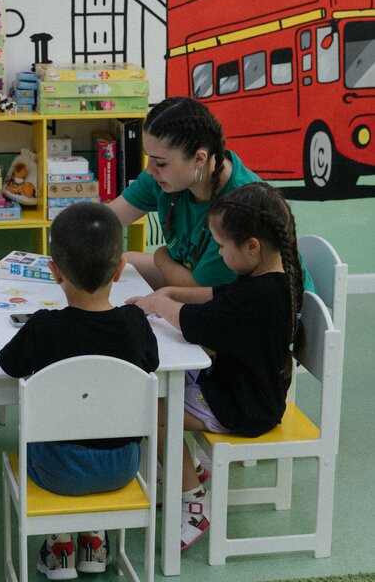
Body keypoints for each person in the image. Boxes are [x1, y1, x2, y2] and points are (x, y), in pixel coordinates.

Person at [126, 182, 304, 550]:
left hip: (244, 406)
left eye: (221, 247)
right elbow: (215, 295)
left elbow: (194, 322)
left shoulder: (258, 297)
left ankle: (193, 498)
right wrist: (167, 294)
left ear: (252, 246)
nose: (218, 254)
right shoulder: (271, 277)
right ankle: (184, 470)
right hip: (241, 385)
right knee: (155, 384)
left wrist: (163, 306)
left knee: (151, 407)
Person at [0, 202, 159, 581]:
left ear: (54, 273)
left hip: (57, 471)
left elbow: (9, 365)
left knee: (35, 435)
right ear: (120, 270)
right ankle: (94, 539)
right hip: (121, 467)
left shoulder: (44, 327)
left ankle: (60, 545)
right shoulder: (135, 322)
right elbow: (150, 364)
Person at [109, 96, 260, 291]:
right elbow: (106, 219)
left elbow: (201, 291)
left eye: (161, 162)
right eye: (148, 157)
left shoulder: (241, 205)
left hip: (235, 303)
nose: (150, 169)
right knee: (126, 262)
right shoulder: (162, 177)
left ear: (199, 158)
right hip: (189, 279)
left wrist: (161, 257)